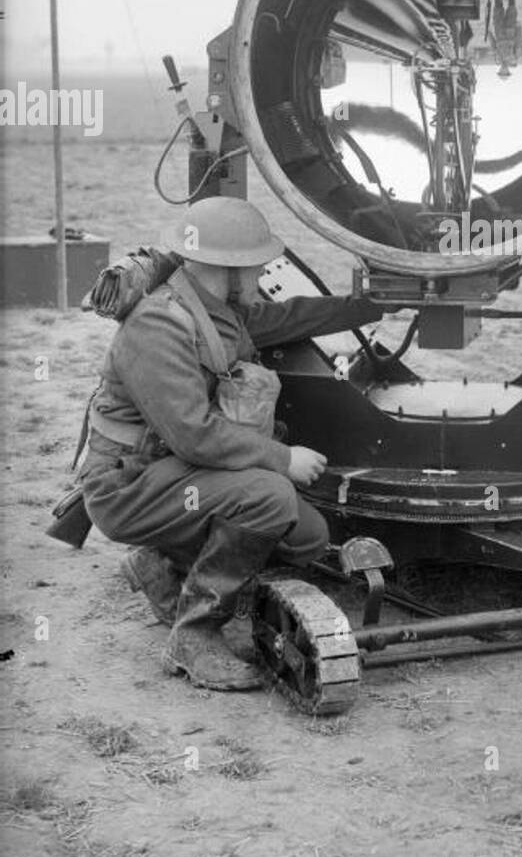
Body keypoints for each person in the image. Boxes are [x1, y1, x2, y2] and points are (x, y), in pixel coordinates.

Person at [79, 197, 384, 693]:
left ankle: (164, 563)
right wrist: (283, 460)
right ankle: (194, 636)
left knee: (305, 536)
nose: (264, 269)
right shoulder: (158, 326)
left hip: (170, 471)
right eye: (258, 262)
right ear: (229, 266)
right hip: (126, 486)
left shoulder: (216, 309)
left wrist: (369, 306)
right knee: (270, 499)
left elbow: (289, 317)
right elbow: (193, 433)